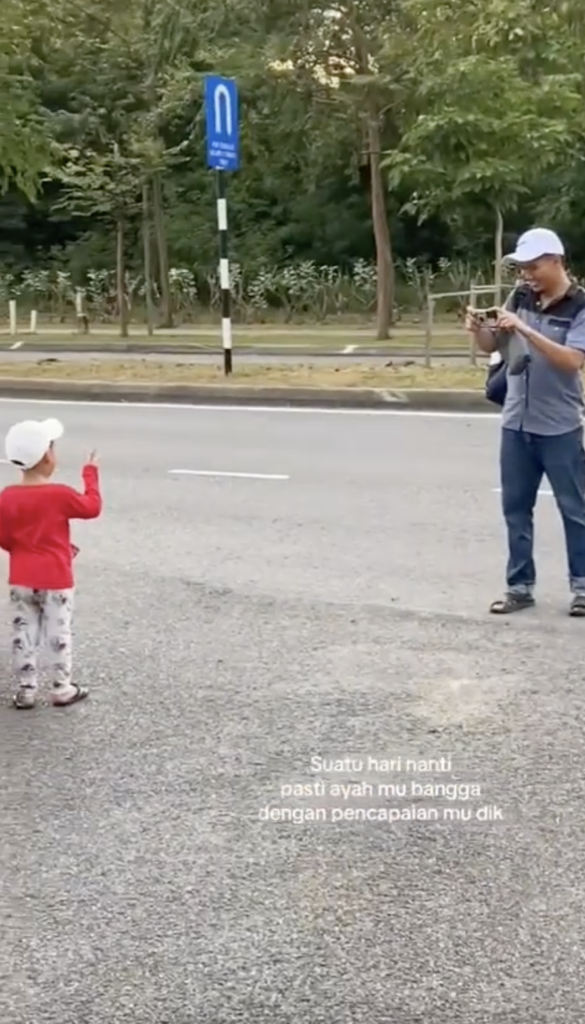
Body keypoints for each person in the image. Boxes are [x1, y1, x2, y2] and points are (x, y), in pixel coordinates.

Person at [466, 226, 585, 616]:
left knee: (575, 509)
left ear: (556, 261)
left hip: (559, 425)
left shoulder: (579, 305)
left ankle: (582, 586)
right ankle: (519, 586)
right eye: (521, 269)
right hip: (516, 422)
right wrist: (480, 330)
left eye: (533, 267)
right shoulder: (519, 297)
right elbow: (495, 346)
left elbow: (572, 361)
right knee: (516, 508)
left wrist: (526, 329)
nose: (527, 276)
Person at [0, 418, 102, 708]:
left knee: (24, 632)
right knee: (58, 633)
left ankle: (26, 689)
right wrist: (90, 473)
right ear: (47, 457)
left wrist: (23, 551)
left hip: (21, 577)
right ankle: (61, 688)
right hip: (56, 578)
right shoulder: (59, 494)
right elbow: (92, 507)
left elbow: (4, 538)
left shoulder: (7, 496)